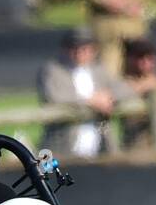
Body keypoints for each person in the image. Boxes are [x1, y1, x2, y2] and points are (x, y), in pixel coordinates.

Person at [38, 27, 132, 158]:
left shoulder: (99, 70)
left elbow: (124, 89)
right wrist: (91, 101)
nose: (79, 53)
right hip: (65, 145)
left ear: (94, 50)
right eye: (74, 48)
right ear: (65, 49)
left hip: (99, 146)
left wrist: (108, 97)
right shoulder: (53, 70)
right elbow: (55, 97)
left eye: (85, 49)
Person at [83, 0, 151, 78]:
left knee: (139, 71)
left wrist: (126, 2)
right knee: (110, 71)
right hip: (107, 31)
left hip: (134, 29)